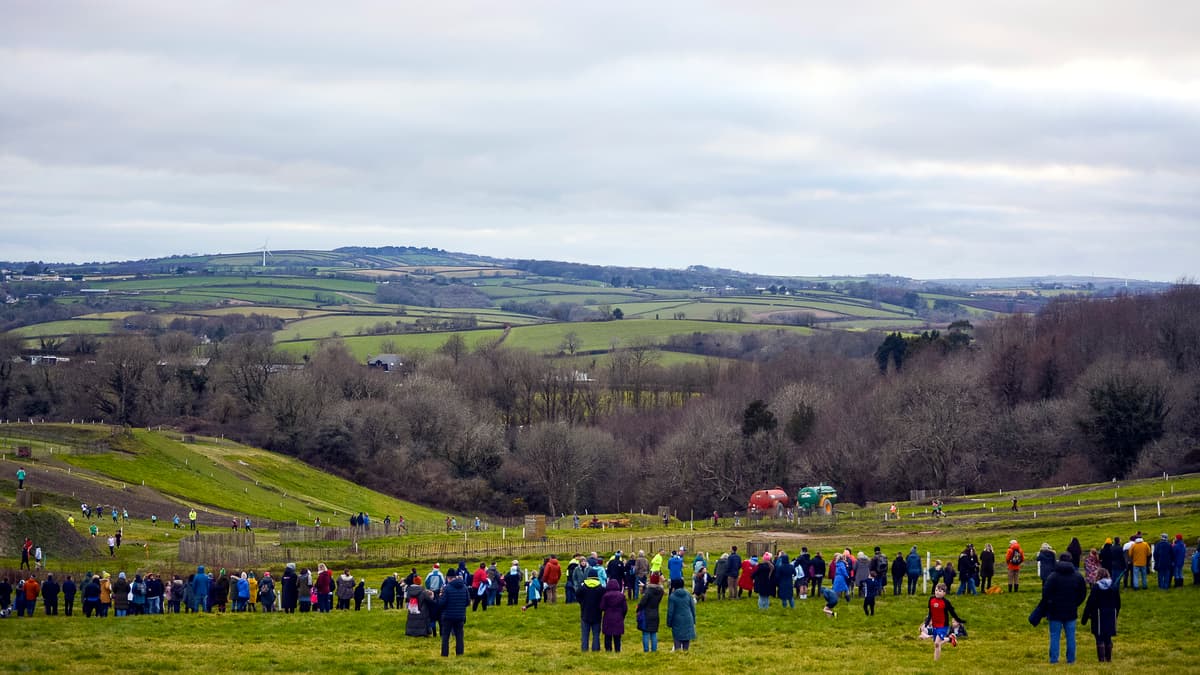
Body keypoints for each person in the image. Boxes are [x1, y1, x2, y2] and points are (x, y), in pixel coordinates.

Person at [1041, 552, 1088, 664]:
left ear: (1059, 560)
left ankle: (1054, 659)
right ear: (1071, 560)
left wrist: (1050, 603)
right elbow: (1083, 593)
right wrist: (1075, 603)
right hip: (1071, 609)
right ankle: (1071, 659)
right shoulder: (1077, 576)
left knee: (1054, 636)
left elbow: (1046, 593)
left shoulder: (1053, 576)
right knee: (1071, 636)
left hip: (1055, 610)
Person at [1081, 567, 1119, 662]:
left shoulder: (1096, 587)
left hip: (1098, 614)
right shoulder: (1113, 586)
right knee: (1108, 637)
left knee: (1099, 637)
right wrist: (1115, 613)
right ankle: (1108, 658)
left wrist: (1085, 617)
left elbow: (1090, 603)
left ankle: (1101, 659)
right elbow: (1118, 602)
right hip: (1110, 613)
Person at [924, 583, 964, 661]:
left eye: (940, 591)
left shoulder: (946, 602)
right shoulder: (931, 599)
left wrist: (959, 620)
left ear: (944, 593)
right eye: (936, 590)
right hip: (935, 625)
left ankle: (936, 662)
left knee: (937, 643)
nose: (937, 592)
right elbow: (930, 612)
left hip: (943, 626)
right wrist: (928, 621)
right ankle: (950, 639)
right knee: (937, 644)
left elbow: (952, 612)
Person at [437, 568, 469, 657]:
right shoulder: (464, 587)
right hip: (460, 616)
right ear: (455, 577)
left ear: (448, 577)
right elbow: (467, 602)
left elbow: (441, 603)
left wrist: (440, 597)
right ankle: (459, 654)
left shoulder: (446, 588)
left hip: (448, 616)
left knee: (445, 637)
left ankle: (444, 654)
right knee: (459, 636)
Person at [577, 567, 605, 651]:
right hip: (597, 613)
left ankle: (584, 649)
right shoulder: (601, 589)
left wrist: (582, 603)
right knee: (596, 634)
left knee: (585, 634)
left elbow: (577, 595)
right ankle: (596, 649)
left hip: (585, 613)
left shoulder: (583, 587)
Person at [666, 577, 696, 651]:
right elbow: (693, 608)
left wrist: (669, 623)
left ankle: (678, 655)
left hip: (677, 620)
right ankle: (686, 655)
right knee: (686, 641)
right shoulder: (688, 594)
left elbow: (670, 612)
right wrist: (694, 620)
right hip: (688, 619)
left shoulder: (672, 597)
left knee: (677, 640)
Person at [637, 572, 664, 652]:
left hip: (646, 613)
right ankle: (654, 650)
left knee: (646, 633)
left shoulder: (648, 591)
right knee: (653, 633)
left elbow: (642, 602)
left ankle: (646, 650)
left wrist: (638, 608)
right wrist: (645, 587)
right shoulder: (660, 591)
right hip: (655, 612)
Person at [600, 578, 627, 652]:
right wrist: (622, 615)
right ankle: (617, 649)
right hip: (618, 616)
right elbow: (625, 608)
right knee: (617, 636)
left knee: (607, 635)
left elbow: (602, 607)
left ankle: (608, 649)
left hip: (608, 617)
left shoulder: (605, 596)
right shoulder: (621, 596)